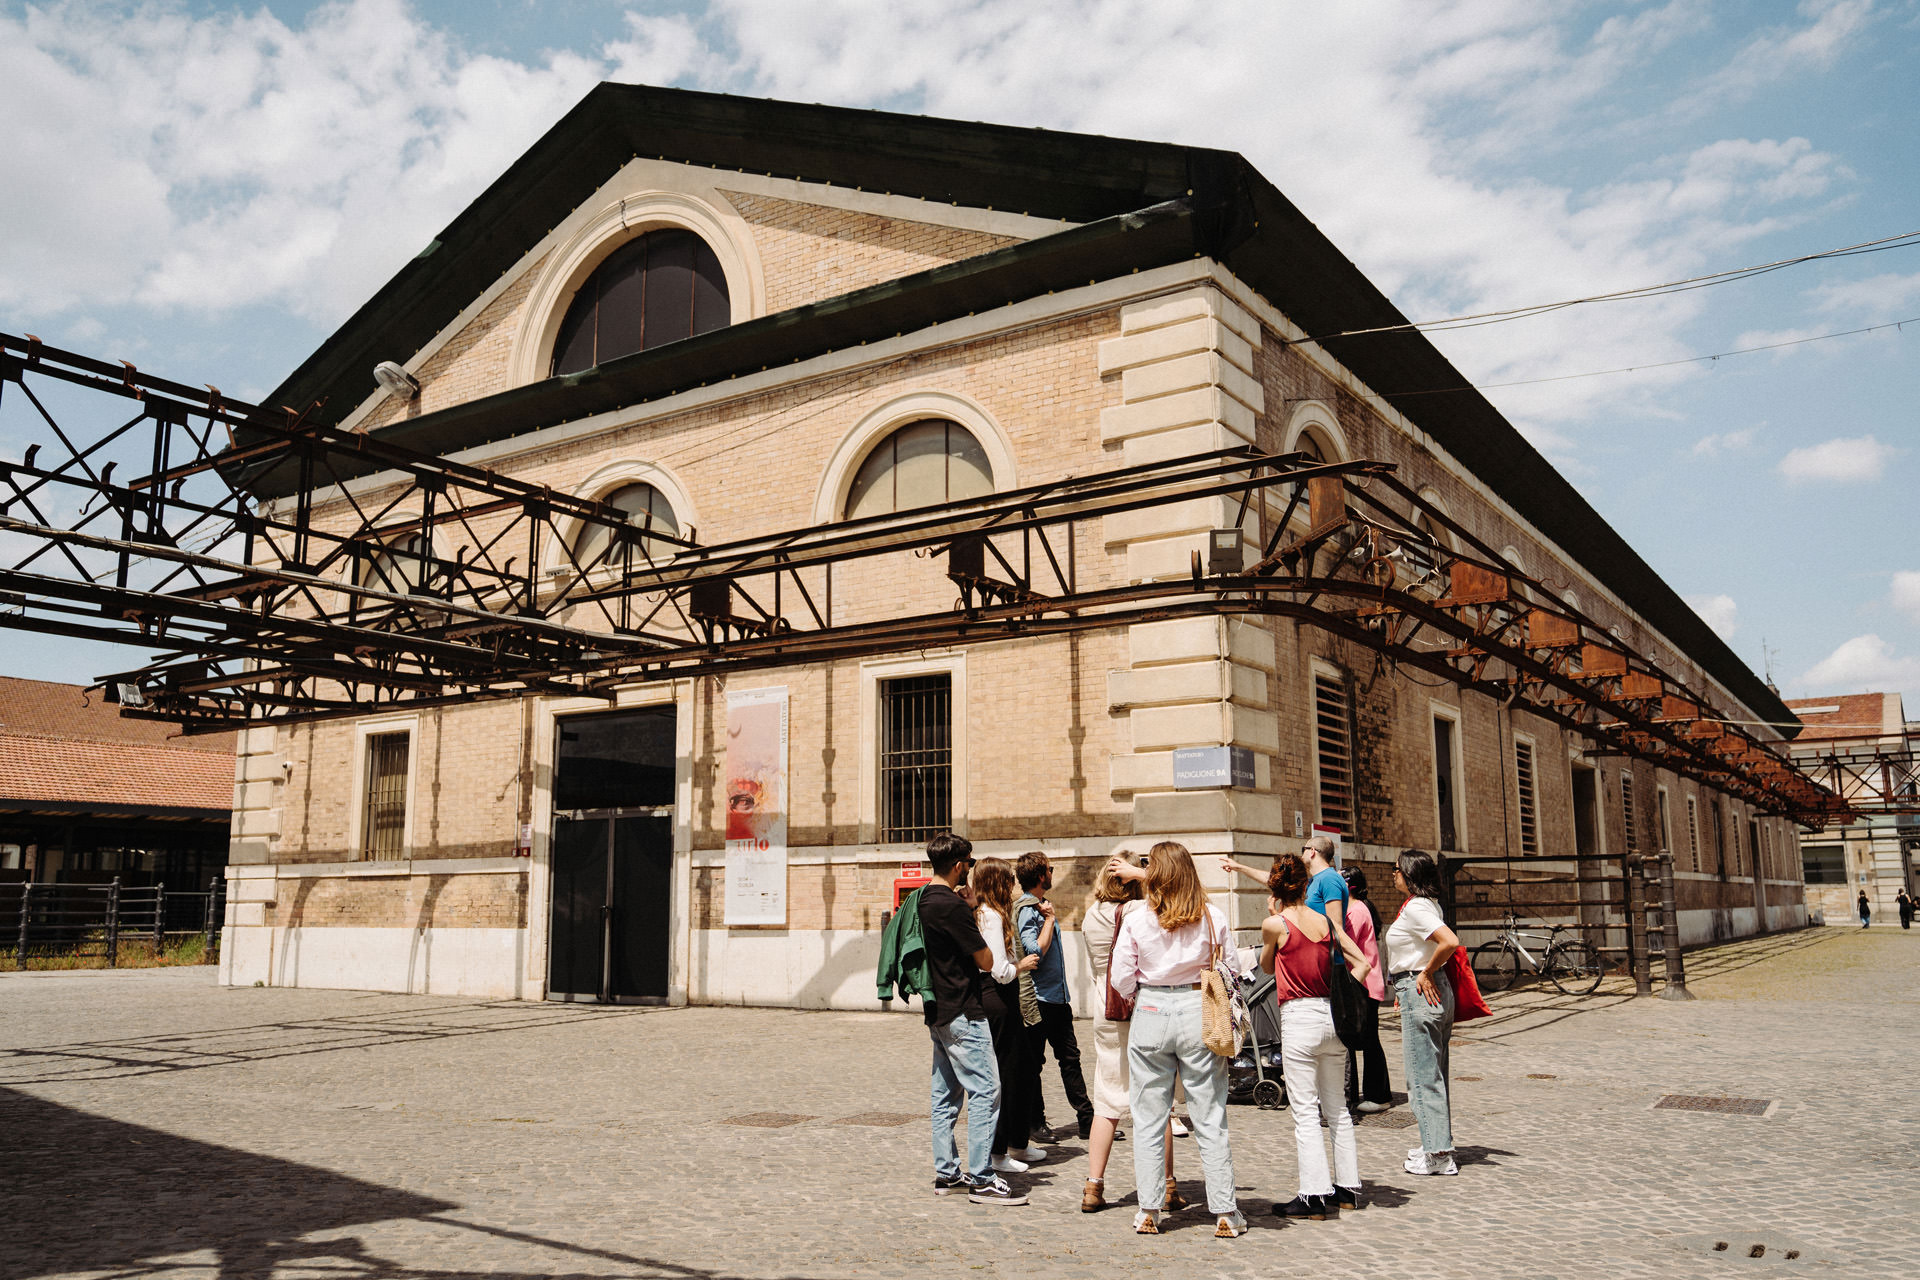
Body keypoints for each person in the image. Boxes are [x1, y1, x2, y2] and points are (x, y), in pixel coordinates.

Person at [1109, 841, 1248, 1238]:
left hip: (1151, 1007)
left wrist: (1142, 991)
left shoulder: (1138, 917)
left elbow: (1120, 978)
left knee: (1149, 1117)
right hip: (1197, 1007)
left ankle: (1149, 1209)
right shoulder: (1211, 915)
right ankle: (1224, 1210)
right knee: (1209, 1115)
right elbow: (1232, 970)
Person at [916, 833, 1029, 1205]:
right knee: (986, 1090)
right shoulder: (951, 906)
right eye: (970, 863)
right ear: (959, 865)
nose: (971, 869)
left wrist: (970, 903)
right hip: (964, 1009)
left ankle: (947, 1172)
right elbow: (985, 961)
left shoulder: (923, 899)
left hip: (939, 1009)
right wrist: (971, 910)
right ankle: (982, 1177)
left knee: (945, 1096)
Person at [1260, 852, 1369, 1218]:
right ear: (1306, 885)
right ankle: (1348, 1189)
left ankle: (1314, 1195)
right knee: (1337, 1107)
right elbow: (1363, 962)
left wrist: (1273, 912)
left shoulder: (1275, 924)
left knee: (1305, 1111)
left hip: (1300, 1016)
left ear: (1276, 889)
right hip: (1331, 1015)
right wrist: (1349, 986)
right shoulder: (1325, 921)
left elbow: (1265, 965)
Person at [1080, 851, 1183, 1214]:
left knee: (1106, 1100)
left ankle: (1093, 1186)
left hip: (1104, 1013)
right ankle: (1167, 1186)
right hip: (1140, 1010)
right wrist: (1143, 873)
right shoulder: (1142, 913)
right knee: (1156, 1100)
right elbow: (1175, 890)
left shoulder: (1091, 917)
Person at [1385, 849, 1463, 1177]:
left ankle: (1439, 1155)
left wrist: (1424, 973)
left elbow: (1449, 942)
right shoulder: (1428, 905)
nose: (1393, 874)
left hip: (1424, 990)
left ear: (1410, 875)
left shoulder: (1417, 907)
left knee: (1421, 1077)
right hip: (1427, 992)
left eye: (1398, 870)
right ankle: (1434, 1142)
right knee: (1434, 1074)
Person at [972, 857, 1047, 1174]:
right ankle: (997, 1152)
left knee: (1024, 1068)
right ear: (996, 883)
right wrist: (1023, 966)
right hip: (998, 997)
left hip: (1004, 998)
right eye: (1008, 880)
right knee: (1005, 1076)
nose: (1014, 885)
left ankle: (1017, 1142)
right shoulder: (990, 917)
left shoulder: (995, 914)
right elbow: (999, 970)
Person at [1016, 850, 1095, 1142]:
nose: (1052, 872)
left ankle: (1087, 1121)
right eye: (1050, 868)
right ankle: (1035, 1124)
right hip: (1039, 1002)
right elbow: (1033, 951)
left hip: (1057, 999)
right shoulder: (1028, 910)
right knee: (1035, 1064)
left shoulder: (1040, 906)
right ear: (1040, 875)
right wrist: (1048, 921)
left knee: (1070, 1059)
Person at [1341, 865, 1393, 1117]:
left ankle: (1378, 1095)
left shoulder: (1356, 910)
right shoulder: (1357, 908)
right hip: (1363, 982)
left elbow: (1344, 942)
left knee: (1368, 1040)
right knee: (1366, 1039)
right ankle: (1371, 1093)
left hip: (1364, 984)